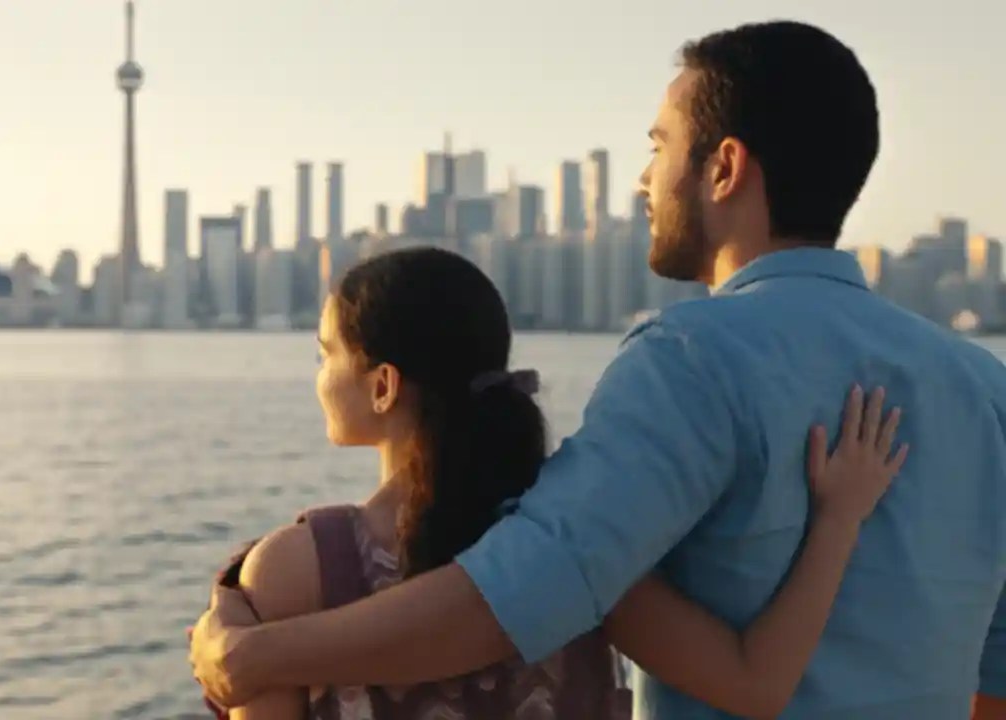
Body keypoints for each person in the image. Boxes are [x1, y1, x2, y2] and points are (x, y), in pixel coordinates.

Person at [191, 19, 1006, 720]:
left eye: (659, 147)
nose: (645, 179)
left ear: (723, 168)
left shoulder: (692, 359)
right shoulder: (984, 388)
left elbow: (515, 597)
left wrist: (256, 655)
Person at [211, 246, 905, 720]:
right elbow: (757, 682)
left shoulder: (299, 572)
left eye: (325, 354)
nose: (318, 375)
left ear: (384, 385)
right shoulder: (580, 559)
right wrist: (838, 518)